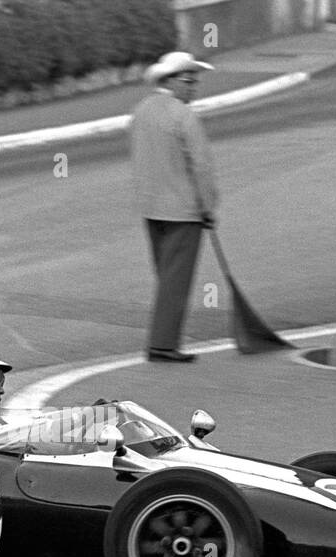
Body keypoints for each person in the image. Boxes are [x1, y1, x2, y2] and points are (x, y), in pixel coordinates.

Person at [130, 50, 219, 363]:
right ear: (169, 79)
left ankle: (162, 340)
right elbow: (201, 166)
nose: (193, 86)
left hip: (151, 208)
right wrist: (208, 207)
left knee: (165, 277)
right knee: (175, 282)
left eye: (195, 81)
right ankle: (163, 345)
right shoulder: (184, 115)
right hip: (183, 211)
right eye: (188, 79)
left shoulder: (141, 111)